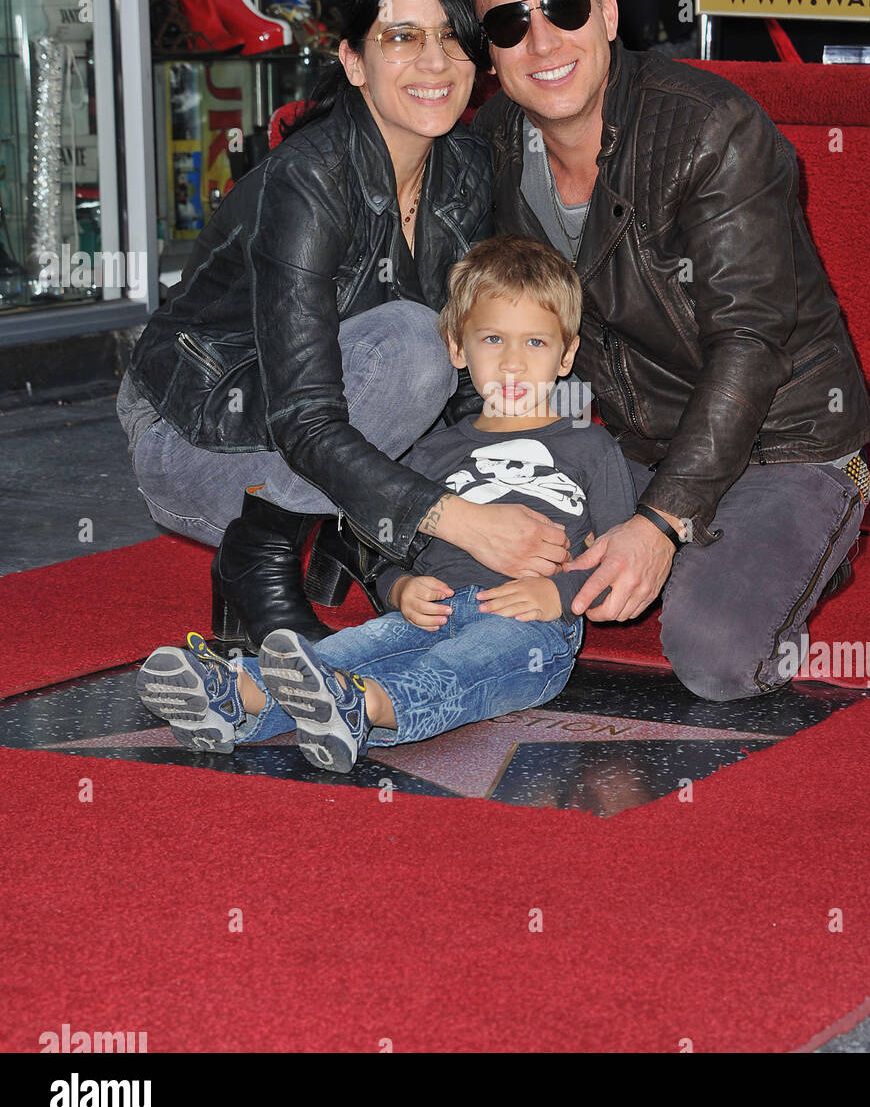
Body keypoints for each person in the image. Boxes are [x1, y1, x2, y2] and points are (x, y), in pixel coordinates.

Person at [468, 0, 870, 703]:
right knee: (468, 569)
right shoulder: (492, 143)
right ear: (491, 50)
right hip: (635, 442)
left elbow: (751, 344)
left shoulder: (709, 129)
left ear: (609, 10)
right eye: (510, 23)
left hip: (783, 440)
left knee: (715, 655)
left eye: (564, 7)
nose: (542, 41)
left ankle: (809, 529)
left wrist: (661, 524)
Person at [118, 0, 575, 652]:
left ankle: (350, 534)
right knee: (417, 346)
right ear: (354, 60)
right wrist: (456, 519)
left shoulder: (465, 168)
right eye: (401, 37)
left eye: (452, 36)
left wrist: (513, 486)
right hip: (197, 433)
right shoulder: (307, 182)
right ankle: (260, 555)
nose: (434, 62)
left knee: (447, 369)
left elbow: (469, 376)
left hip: (328, 423)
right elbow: (306, 418)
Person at [135, 236, 638, 771]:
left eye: (535, 343)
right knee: (338, 653)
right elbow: (393, 550)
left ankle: (363, 707)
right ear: (457, 348)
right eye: (493, 338)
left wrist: (556, 593)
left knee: (454, 670)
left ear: (567, 354)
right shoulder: (434, 449)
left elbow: (615, 554)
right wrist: (399, 587)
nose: (513, 363)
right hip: (433, 609)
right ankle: (234, 696)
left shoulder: (590, 445)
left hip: (531, 629)